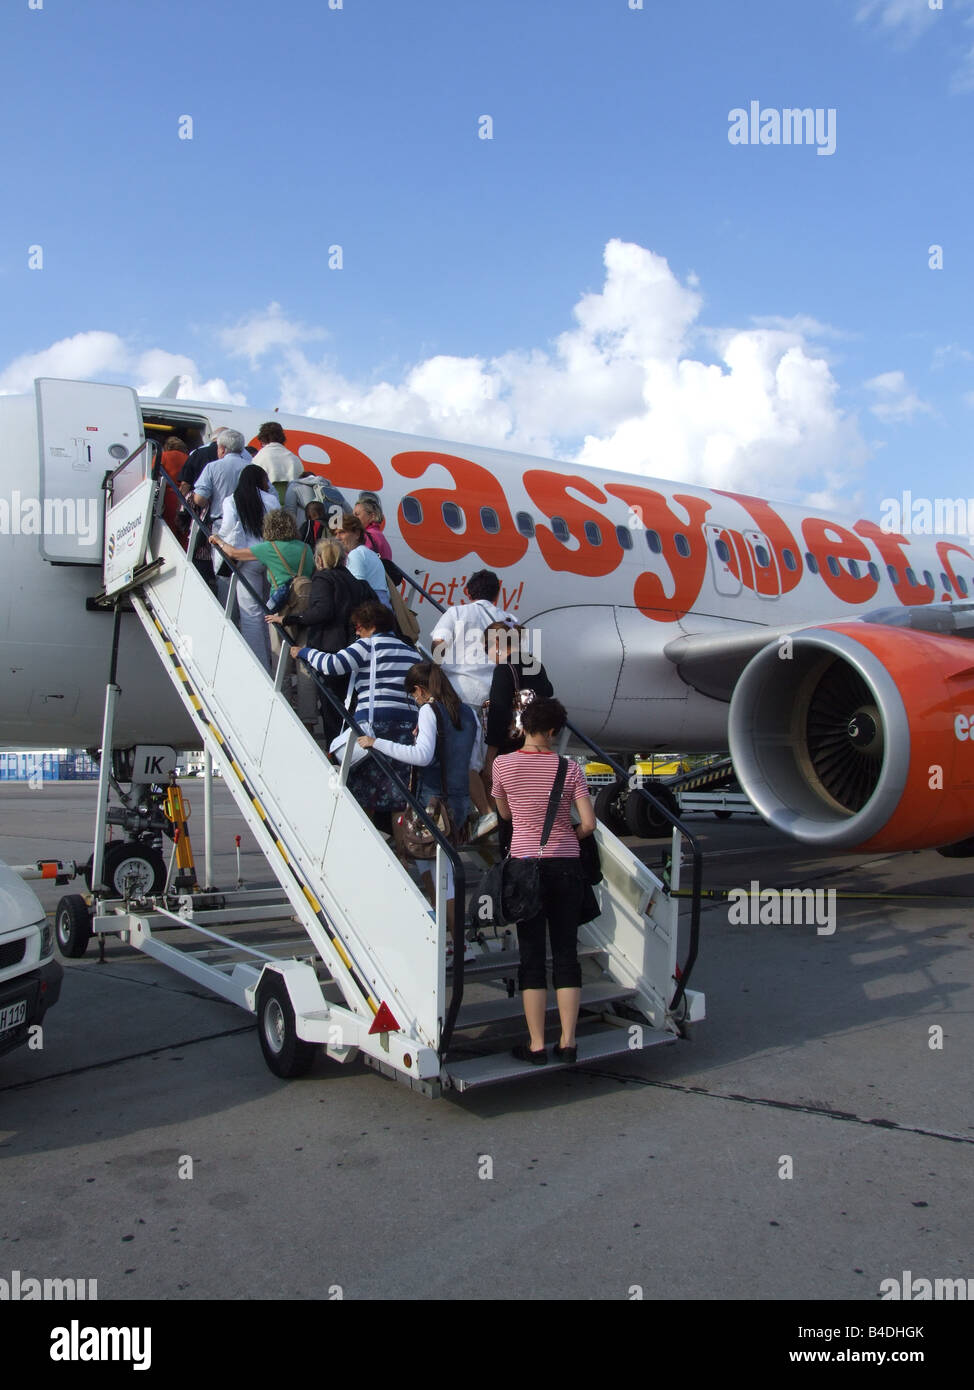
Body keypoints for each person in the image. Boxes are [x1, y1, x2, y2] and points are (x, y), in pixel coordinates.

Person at [491, 698, 597, 1066]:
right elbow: (588, 824)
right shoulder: (571, 769)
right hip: (566, 867)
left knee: (531, 955)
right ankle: (567, 1042)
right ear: (553, 731)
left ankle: (536, 1045)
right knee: (566, 952)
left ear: (524, 727)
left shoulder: (502, 764)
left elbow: (504, 813)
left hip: (523, 867)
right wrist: (568, 835)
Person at [295, 601, 417, 825]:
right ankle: (404, 854)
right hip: (406, 730)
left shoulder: (367, 646)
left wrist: (305, 651)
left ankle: (367, 845)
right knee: (399, 798)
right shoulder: (412, 653)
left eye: (358, 627)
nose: (356, 631)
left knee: (364, 795)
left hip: (373, 727)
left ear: (369, 626)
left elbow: (333, 665)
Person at [211, 509, 317, 728]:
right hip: (306, 610)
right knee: (305, 664)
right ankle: (308, 718)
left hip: (281, 612)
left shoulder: (270, 548)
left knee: (281, 662)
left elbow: (234, 553)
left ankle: (285, 713)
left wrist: (218, 540)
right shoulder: (306, 548)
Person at [431, 571, 516, 837]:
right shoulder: (511, 620)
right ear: (498, 591)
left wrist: (436, 671)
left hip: (464, 695)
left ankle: (487, 813)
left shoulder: (456, 613)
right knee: (491, 761)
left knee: (465, 760)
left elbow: (438, 646)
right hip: (500, 698)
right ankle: (497, 816)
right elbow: (524, 659)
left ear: (468, 593)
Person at [268, 536, 372, 744]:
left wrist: (288, 618)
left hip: (330, 648)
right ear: (344, 559)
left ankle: (336, 751)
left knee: (331, 705)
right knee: (348, 703)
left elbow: (322, 611)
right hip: (354, 648)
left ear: (319, 560)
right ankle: (350, 750)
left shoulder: (323, 579)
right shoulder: (357, 582)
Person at [482, 619, 554, 856]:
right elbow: (549, 692)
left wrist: (490, 755)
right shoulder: (535, 664)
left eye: (487, 649)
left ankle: (513, 861)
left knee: (510, 816)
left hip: (512, 750)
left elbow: (499, 713)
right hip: (539, 747)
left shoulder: (504, 669)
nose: (488, 656)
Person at [215, 464, 278, 669]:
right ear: (261, 480)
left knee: (251, 615)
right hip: (269, 558)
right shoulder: (271, 500)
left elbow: (227, 528)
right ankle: (277, 662)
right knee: (271, 611)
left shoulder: (231, 500)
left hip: (245, 559)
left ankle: (259, 667)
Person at [192, 429, 252, 527]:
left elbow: (200, 499)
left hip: (221, 523)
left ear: (222, 449)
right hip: (246, 524)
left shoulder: (212, 467)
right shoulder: (253, 468)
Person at [335, 513, 392, 607]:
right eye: (335, 533)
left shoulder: (356, 554)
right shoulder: (368, 553)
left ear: (357, 534)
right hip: (381, 609)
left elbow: (356, 590)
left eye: (342, 532)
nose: (337, 538)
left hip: (371, 612)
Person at [252, 421, 302, 504]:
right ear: (282, 437)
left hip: (268, 507)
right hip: (291, 508)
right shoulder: (294, 458)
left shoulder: (259, 458)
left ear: (262, 439)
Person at [157, 436, 188, 532]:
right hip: (186, 498)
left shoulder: (162, 456)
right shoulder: (189, 459)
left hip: (167, 497)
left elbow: (151, 476)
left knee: (168, 528)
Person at [354, 494, 393, 562]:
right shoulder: (379, 536)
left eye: (357, 514)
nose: (353, 518)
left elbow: (358, 561)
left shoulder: (367, 536)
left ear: (372, 516)